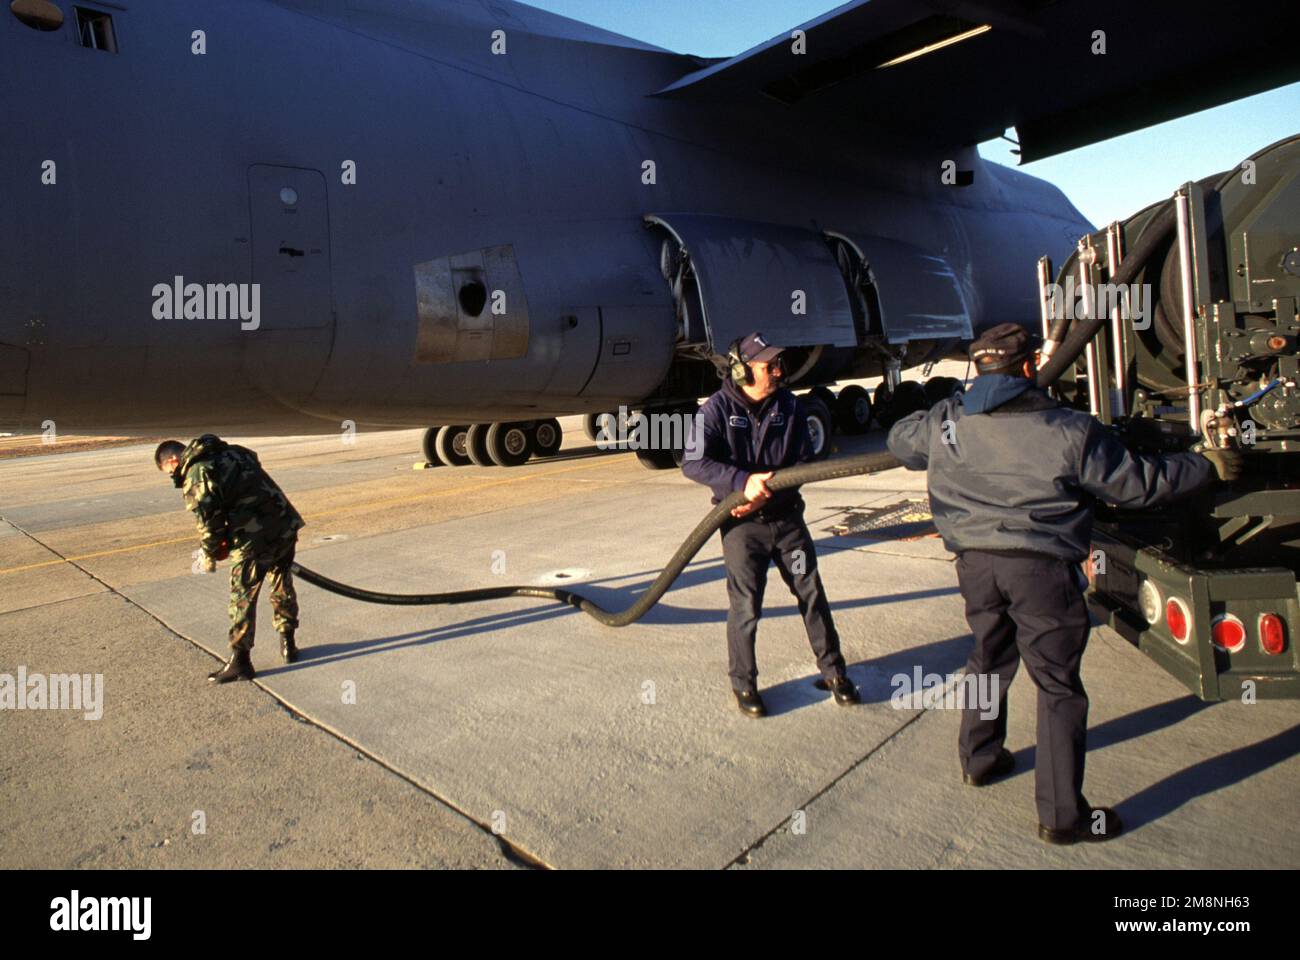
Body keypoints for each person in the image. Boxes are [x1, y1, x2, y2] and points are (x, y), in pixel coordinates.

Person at [887, 322, 1241, 844]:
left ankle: (980, 758)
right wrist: (1203, 465)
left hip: (975, 567)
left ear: (981, 368)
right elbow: (1141, 485)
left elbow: (899, 440)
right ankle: (1061, 816)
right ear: (1030, 366)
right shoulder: (1069, 429)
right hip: (1041, 569)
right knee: (1057, 687)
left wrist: (945, 410)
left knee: (989, 657)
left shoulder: (947, 421)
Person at [683, 332, 859, 717]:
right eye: (769, 366)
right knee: (746, 606)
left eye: (780, 364)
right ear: (743, 371)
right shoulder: (713, 411)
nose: (779, 371)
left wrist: (768, 493)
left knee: (811, 593)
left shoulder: (790, 408)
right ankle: (744, 685)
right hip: (742, 527)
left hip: (787, 521)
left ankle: (834, 672)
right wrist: (740, 486)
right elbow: (693, 462)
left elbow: (803, 462)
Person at [155, 435, 306, 683]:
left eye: (169, 470)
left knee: (242, 597)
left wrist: (211, 551)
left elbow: (208, 522)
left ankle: (241, 661)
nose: (172, 475)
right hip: (284, 522)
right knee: (281, 581)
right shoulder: (233, 451)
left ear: (173, 460)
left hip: (253, 537)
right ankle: (288, 643)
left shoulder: (197, 472)